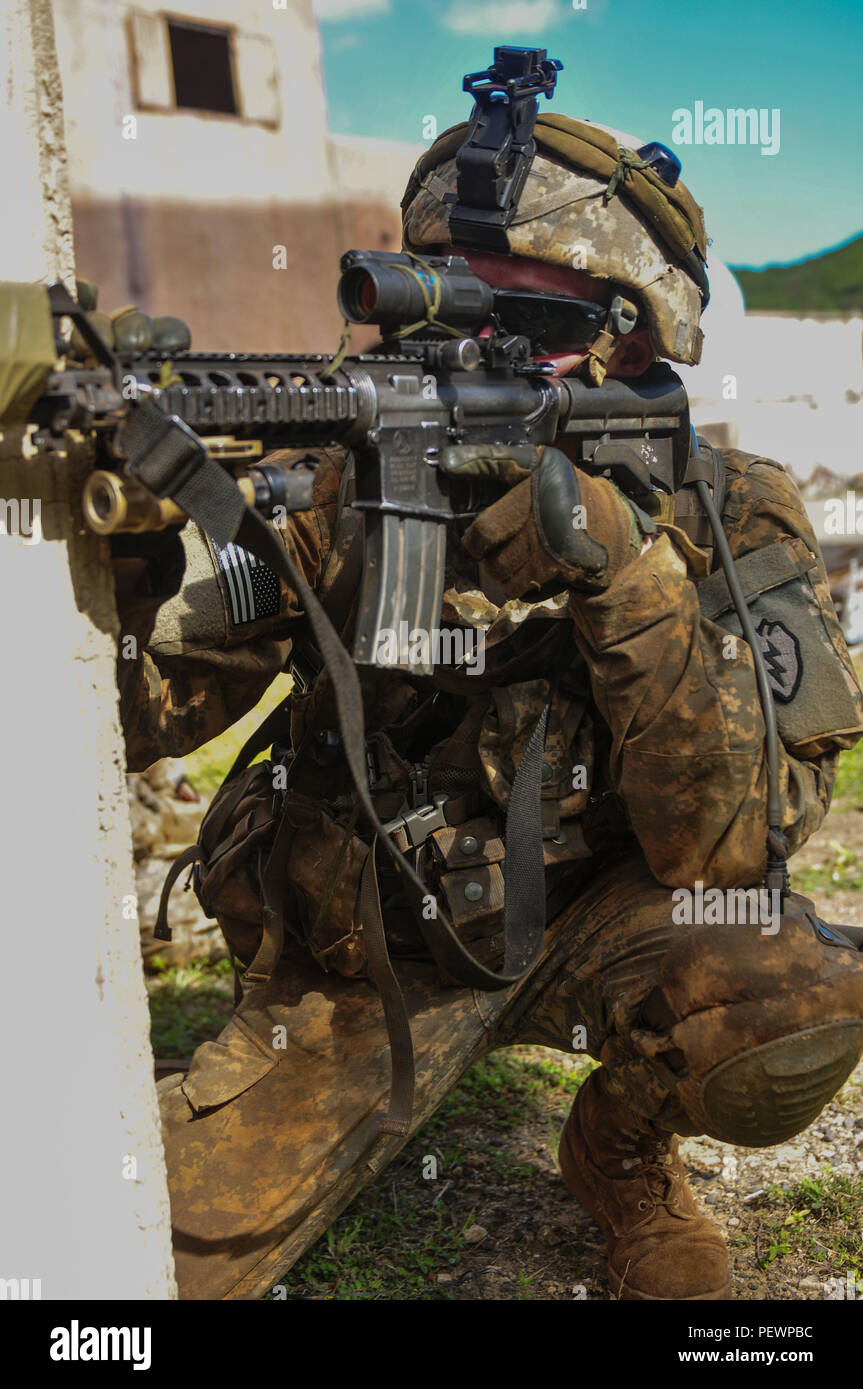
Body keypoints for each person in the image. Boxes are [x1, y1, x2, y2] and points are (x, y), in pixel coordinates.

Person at [114, 109, 863, 1302]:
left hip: (591, 915)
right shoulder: (343, 475)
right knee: (139, 1276)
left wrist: (626, 577)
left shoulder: (731, 509)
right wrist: (136, 553)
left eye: (532, 316)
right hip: (376, 948)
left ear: (628, 334)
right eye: (448, 300)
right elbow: (149, 718)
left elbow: (736, 839)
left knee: (801, 987)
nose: (475, 339)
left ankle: (617, 1156)